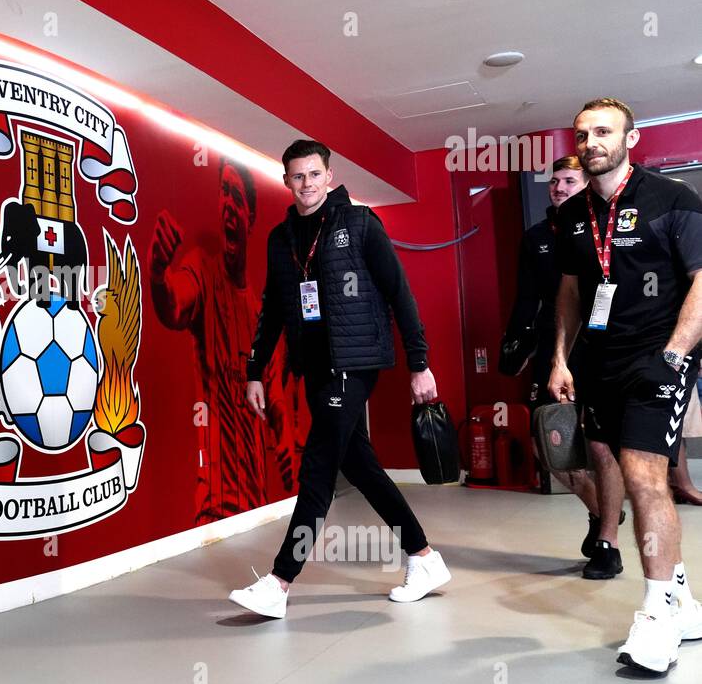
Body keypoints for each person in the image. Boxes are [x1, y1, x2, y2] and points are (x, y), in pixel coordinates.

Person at [230, 139, 450, 618]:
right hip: (313, 366)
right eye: (297, 176)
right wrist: (254, 370)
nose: (306, 184)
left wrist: (420, 362)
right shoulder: (281, 237)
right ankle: (424, 558)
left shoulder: (360, 223)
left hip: (354, 363)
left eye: (314, 174)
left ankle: (279, 581)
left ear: (329, 176)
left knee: (318, 466)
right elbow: (272, 308)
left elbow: (400, 294)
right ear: (286, 180)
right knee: (361, 467)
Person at [549, 97, 702, 673]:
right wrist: (560, 360)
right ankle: (684, 604)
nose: (592, 141)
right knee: (617, 467)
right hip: (599, 363)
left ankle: (657, 614)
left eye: (605, 131)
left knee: (644, 478)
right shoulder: (570, 217)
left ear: (631, 140)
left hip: (657, 358)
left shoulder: (672, 199)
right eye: (584, 132)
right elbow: (567, 294)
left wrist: (674, 353)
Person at [149, 158, 301, 523]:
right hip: (214, 500)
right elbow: (173, 305)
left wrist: (291, 458)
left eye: (236, 196)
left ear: (249, 216)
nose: (228, 204)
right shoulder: (202, 269)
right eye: (224, 193)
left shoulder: (261, 315)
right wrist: (157, 273)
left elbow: (277, 403)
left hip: (257, 501)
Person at [500, 155, 624, 576]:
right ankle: (602, 512)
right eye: (553, 182)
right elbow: (525, 295)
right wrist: (513, 346)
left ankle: (608, 540)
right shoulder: (536, 235)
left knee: (601, 446)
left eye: (568, 180)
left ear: (587, 182)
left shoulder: (606, 227)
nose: (557, 187)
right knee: (547, 444)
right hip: (552, 348)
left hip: (599, 347)